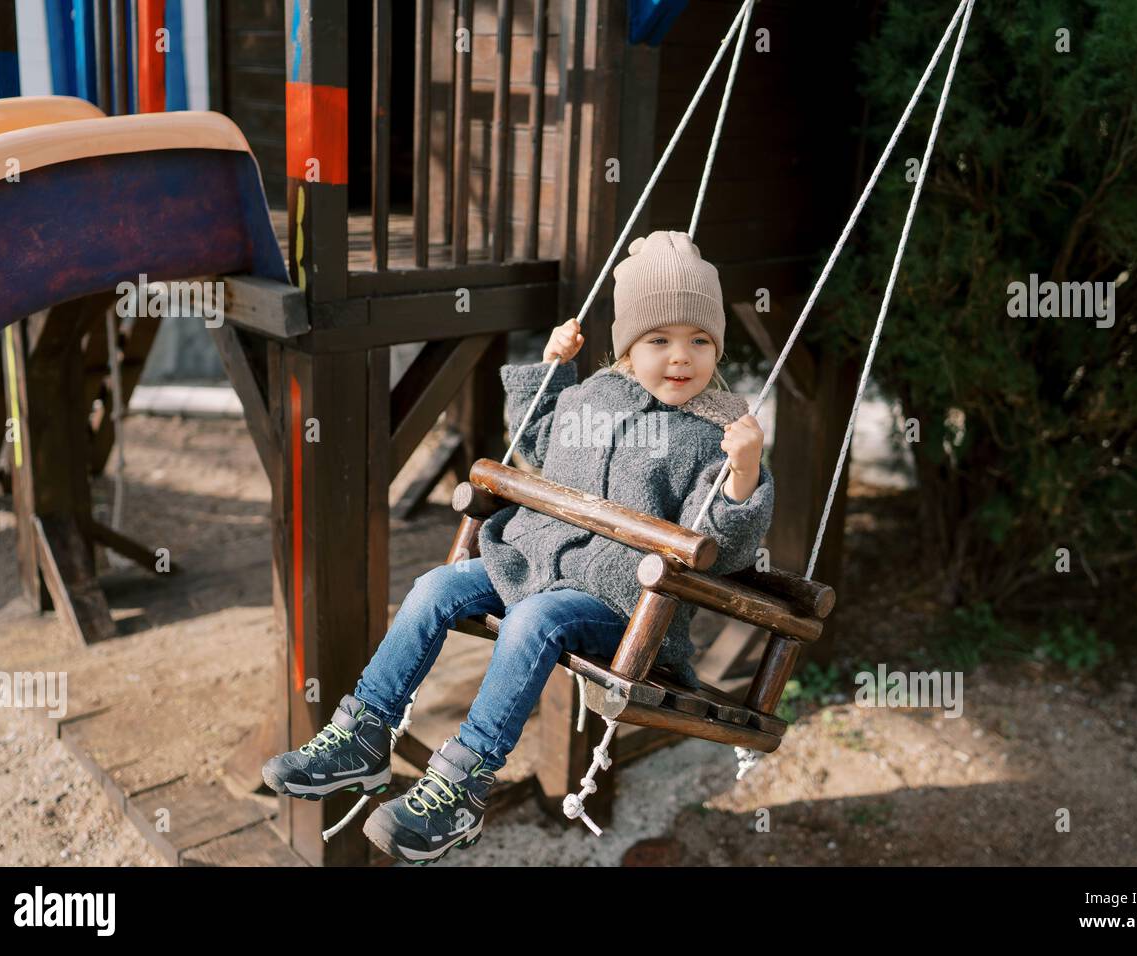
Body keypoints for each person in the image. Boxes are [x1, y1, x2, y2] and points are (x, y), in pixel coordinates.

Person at [261, 230, 775, 864]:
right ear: (627, 347)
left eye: (700, 341)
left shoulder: (716, 432)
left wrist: (746, 475)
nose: (681, 357)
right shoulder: (594, 396)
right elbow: (535, 446)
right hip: (532, 562)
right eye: (659, 340)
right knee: (436, 586)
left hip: (620, 606)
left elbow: (724, 552)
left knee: (533, 620)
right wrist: (551, 370)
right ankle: (363, 733)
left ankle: (461, 785)